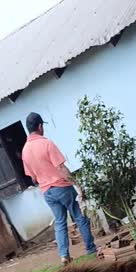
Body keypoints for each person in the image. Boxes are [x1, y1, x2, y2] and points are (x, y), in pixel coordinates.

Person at [21, 112, 97, 264]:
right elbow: (61, 167)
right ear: (40, 126)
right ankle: (90, 249)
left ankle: (64, 255)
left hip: (47, 191)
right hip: (62, 186)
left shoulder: (24, 151)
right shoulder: (47, 143)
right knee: (79, 217)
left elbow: (33, 178)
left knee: (60, 223)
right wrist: (76, 184)